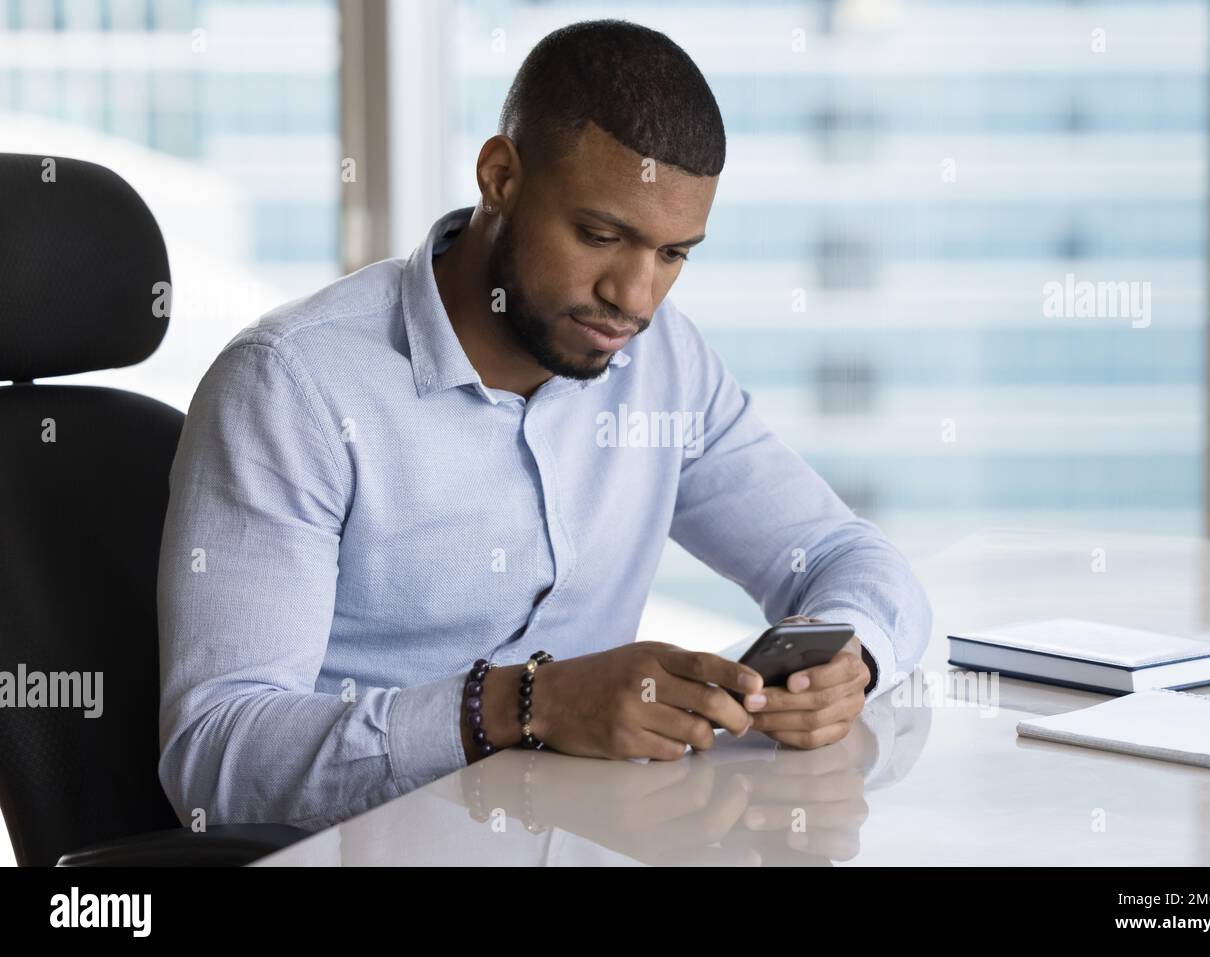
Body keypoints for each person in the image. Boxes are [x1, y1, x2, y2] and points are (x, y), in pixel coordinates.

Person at [157, 18, 932, 832]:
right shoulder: (293, 387)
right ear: (500, 176)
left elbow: (850, 556)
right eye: (602, 236)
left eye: (674, 255)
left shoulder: (663, 365)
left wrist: (851, 660)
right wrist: (525, 702)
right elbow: (216, 759)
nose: (635, 298)